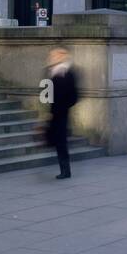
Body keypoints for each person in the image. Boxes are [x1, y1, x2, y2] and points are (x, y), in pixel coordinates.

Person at [44, 46, 77, 180]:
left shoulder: (69, 72)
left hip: (62, 113)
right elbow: (44, 94)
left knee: (61, 141)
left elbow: (74, 96)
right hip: (52, 112)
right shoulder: (49, 72)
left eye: (55, 55)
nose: (52, 57)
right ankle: (64, 169)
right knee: (57, 140)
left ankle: (65, 170)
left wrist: (63, 107)